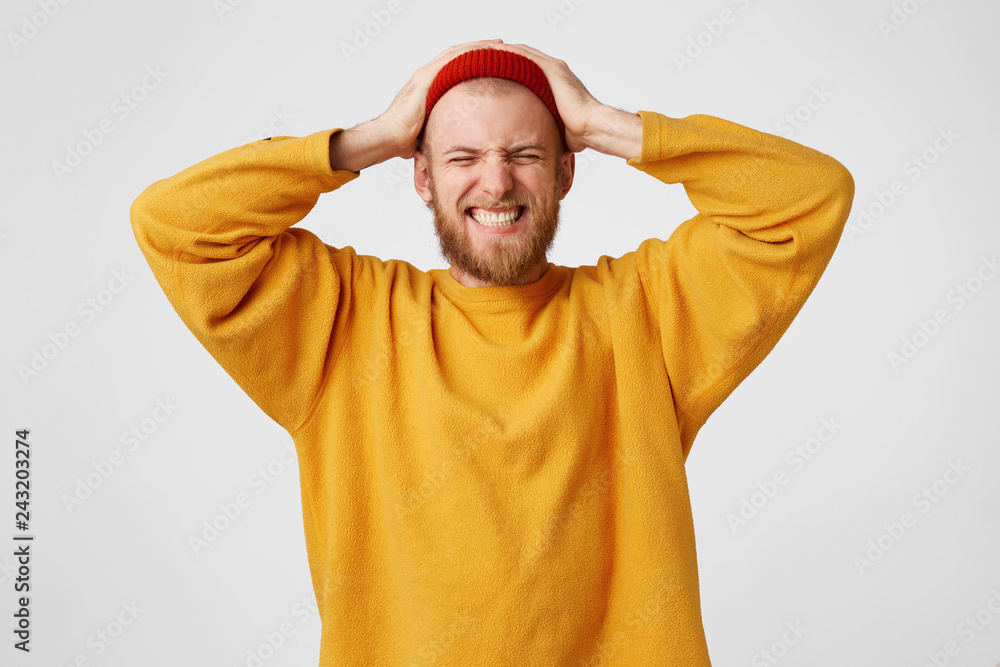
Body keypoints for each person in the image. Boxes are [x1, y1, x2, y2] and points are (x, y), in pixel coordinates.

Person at [130, 39, 854, 666]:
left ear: (567, 172)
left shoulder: (644, 312)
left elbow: (809, 196)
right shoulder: (344, 322)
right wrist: (370, 139)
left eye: (526, 154)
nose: (497, 181)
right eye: (462, 157)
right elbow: (173, 225)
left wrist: (608, 125)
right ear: (421, 177)